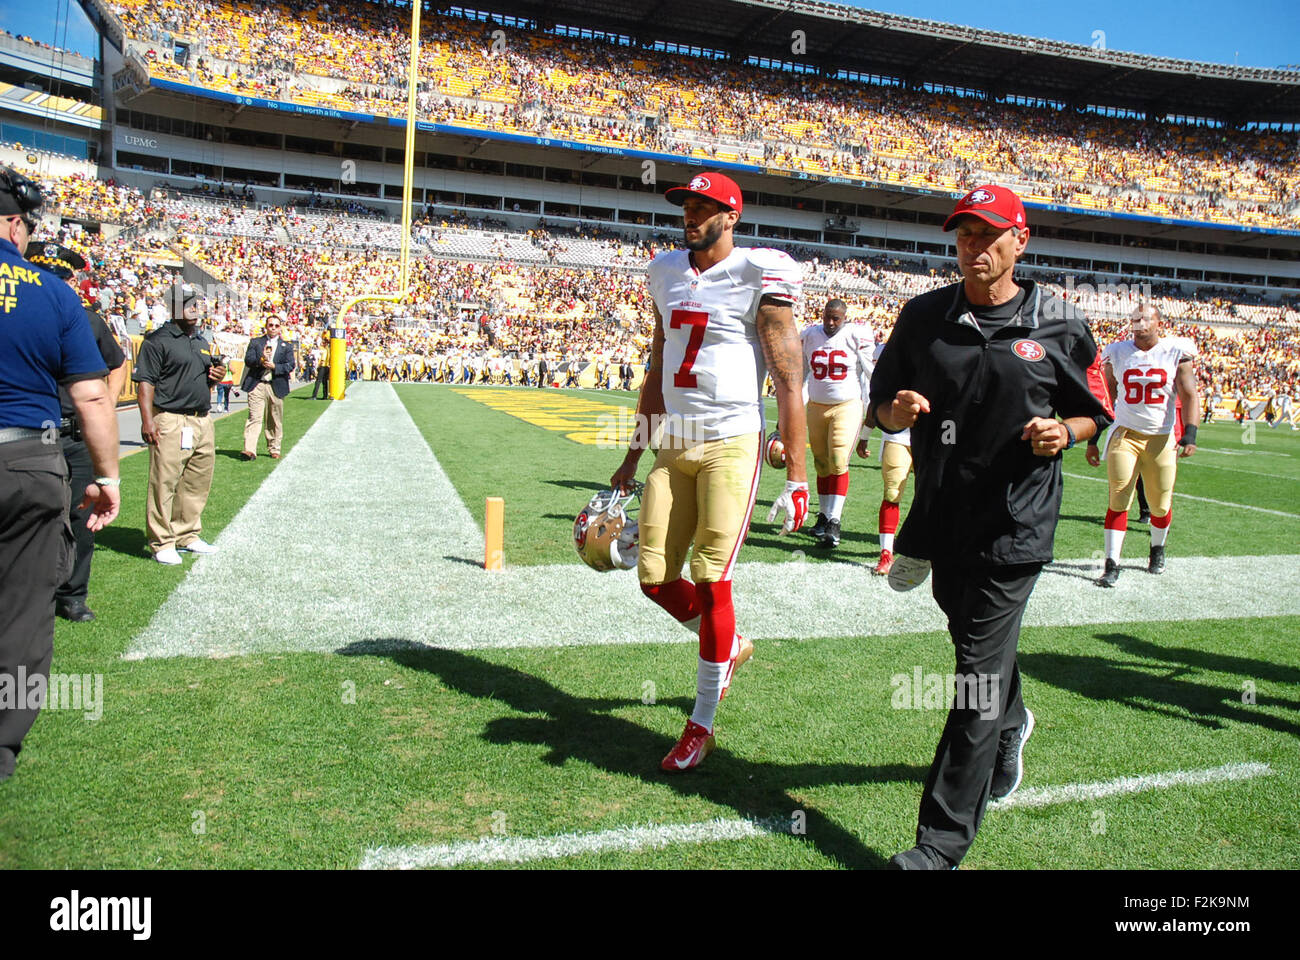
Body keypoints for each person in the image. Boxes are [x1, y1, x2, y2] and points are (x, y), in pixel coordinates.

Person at [869, 184, 1110, 869]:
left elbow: (1095, 410)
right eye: (965, 235)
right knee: (976, 650)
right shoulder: (922, 318)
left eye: (989, 234)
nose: (975, 247)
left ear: (1020, 240)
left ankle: (938, 847)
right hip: (943, 520)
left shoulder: (1060, 320)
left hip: (1016, 525)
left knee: (973, 679)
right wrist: (898, 411)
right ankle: (1013, 724)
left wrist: (1064, 430)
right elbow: (878, 404)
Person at [609, 171, 808, 773]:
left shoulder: (759, 273)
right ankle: (729, 646)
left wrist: (797, 475)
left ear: (732, 216)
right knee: (651, 577)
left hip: (731, 441)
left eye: (705, 207)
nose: (691, 216)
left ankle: (700, 723)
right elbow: (656, 367)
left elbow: (788, 378)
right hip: (675, 440)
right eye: (687, 206)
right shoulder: (665, 271)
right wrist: (631, 455)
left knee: (712, 576)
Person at [0, 167, 120, 781]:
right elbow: (93, 395)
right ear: (16, 224)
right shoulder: (50, 292)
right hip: (27, 458)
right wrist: (107, 475)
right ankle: (1, 746)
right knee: (22, 607)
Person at [25, 243, 129, 623]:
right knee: (33, 512)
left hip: (74, 432)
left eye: (63, 280)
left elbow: (117, 362)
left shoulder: (86, 320)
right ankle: (32, 592)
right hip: (33, 431)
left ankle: (72, 594)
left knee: (82, 513)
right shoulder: (16, 314)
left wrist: (109, 401)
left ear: (72, 283)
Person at [1090, 304, 1199, 586]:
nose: (1139, 324)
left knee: (1160, 504)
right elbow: (1109, 395)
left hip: (1160, 438)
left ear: (1158, 323)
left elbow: (1189, 394)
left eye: (1146, 319)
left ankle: (1157, 549)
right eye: (1135, 319)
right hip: (1125, 434)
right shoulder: (1117, 351)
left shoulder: (1176, 352)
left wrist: (1191, 433)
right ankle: (1112, 563)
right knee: (1118, 497)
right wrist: (1097, 433)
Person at [133, 282, 226, 565]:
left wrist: (216, 375)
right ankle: (162, 541)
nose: (194, 309)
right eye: (188, 304)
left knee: (196, 481)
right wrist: (147, 421)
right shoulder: (157, 340)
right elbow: (145, 382)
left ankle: (187, 533)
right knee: (165, 481)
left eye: (196, 304)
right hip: (170, 418)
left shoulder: (201, 341)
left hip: (201, 419)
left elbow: (201, 378)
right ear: (174, 308)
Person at [801, 298, 874, 547]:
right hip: (816, 405)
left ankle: (834, 520)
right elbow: (801, 372)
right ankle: (822, 516)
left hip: (847, 405)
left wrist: (875, 400)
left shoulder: (855, 335)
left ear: (845, 318)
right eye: (827, 317)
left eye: (836, 318)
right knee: (821, 462)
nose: (831, 323)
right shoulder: (810, 335)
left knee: (839, 459)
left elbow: (869, 371)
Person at [240, 314, 294, 460]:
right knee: (254, 417)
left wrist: (275, 367)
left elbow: (290, 365)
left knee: (275, 419)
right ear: (266, 326)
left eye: (276, 325)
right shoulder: (256, 342)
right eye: (271, 325)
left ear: (280, 327)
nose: (273, 328)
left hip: (276, 385)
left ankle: (274, 447)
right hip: (257, 384)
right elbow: (249, 360)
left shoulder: (286, 346)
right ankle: (249, 449)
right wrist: (261, 360)